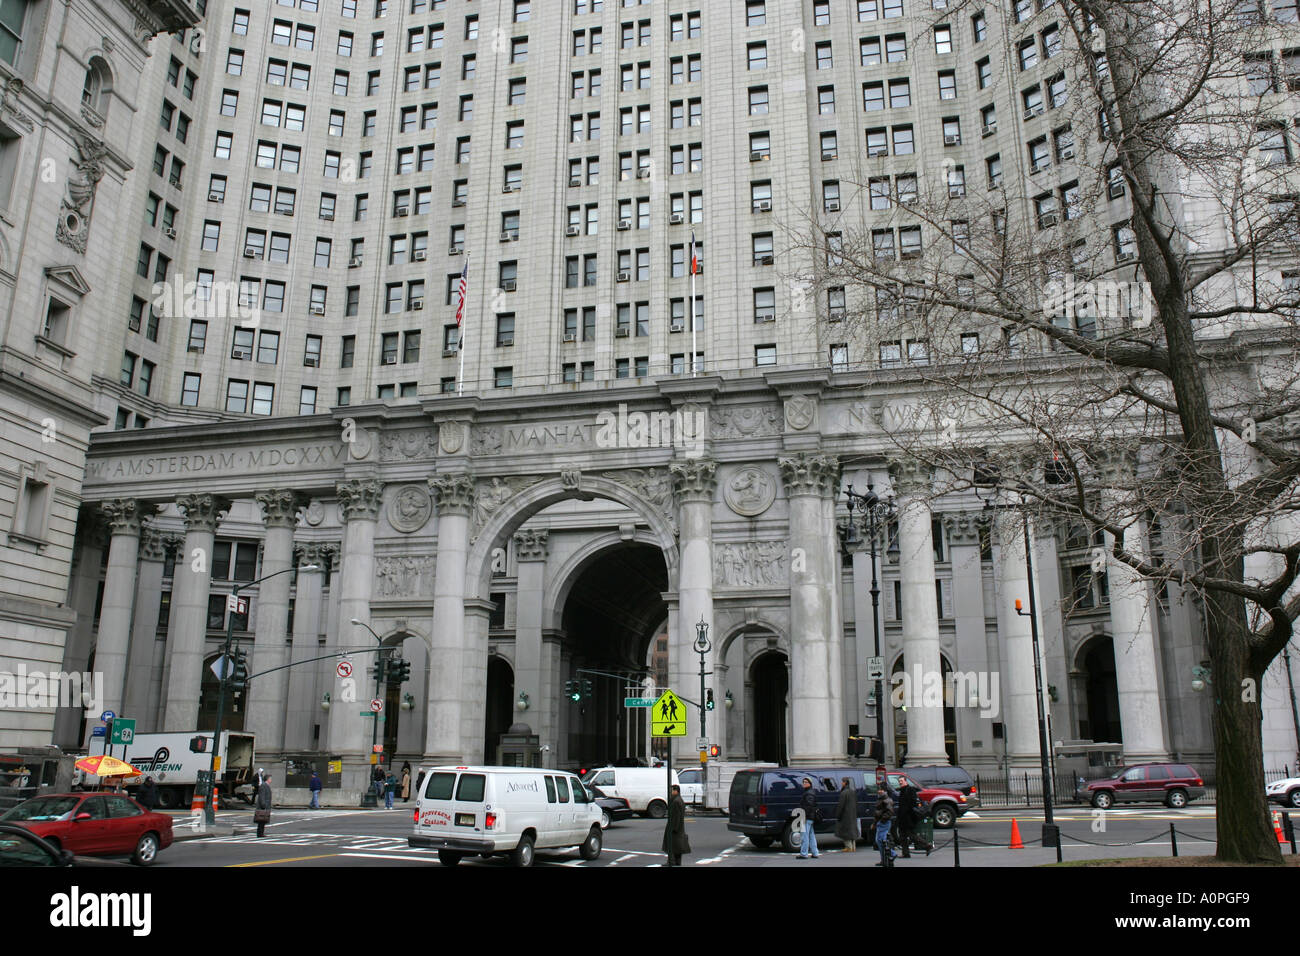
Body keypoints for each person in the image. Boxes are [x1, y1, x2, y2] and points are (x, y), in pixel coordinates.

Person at [896, 778, 931, 857]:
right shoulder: (902, 790)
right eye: (899, 781)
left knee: (911, 835)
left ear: (905, 781)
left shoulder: (910, 790)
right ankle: (906, 853)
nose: (900, 782)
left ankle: (926, 845)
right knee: (903, 836)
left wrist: (906, 813)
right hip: (903, 818)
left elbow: (912, 804)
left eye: (901, 781)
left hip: (908, 818)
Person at [661, 784, 691, 865]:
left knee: (672, 845)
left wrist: (674, 828)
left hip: (675, 827)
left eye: (672, 790)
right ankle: (677, 861)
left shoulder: (676, 801)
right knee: (678, 846)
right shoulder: (679, 800)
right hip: (678, 827)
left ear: (675, 791)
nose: (671, 792)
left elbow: (676, 816)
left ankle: (671, 861)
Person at [797, 777, 821, 859]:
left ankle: (804, 853)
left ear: (810, 783)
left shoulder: (808, 793)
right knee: (811, 835)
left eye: (806, 782)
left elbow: (808, 806)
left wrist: (803, 815)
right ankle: (815, 853)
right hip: (810, 817)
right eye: (803, 782)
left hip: (806, 817)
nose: (804, 783)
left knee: (805, 836)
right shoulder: (811, 792)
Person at [873, 785, 896, 868]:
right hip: (881, 822)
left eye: (881, 790)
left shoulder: (886, 800)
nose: (879, 791)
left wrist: (882, 820)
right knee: (880, 841)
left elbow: (890, 812)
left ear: (885, 791)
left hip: (884, 823)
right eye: (879, 789)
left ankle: (891, 854)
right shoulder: (882, 799)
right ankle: (884, 859)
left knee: (882, 841)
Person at [834, 777, 859, 852]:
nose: (841, 783)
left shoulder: (844, 793)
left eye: (842, 782)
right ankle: (853, 847)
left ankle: (849, 847)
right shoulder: (852, 792)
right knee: (852, 831)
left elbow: (841, 805)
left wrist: (838, 815)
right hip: (852, 814)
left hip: (845, 815)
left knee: (845, 831)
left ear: (845, 783)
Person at [255, 773, 273, 838]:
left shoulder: (266, 785)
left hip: (266, 806)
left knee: (263, 820)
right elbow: (262, 796)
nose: (271, 780)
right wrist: (263, 805)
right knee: (261, 820)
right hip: (263, 806)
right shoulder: (263, 785)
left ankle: (261, 833)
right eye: (270, 778)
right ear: (267, 779)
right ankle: (260, 833)